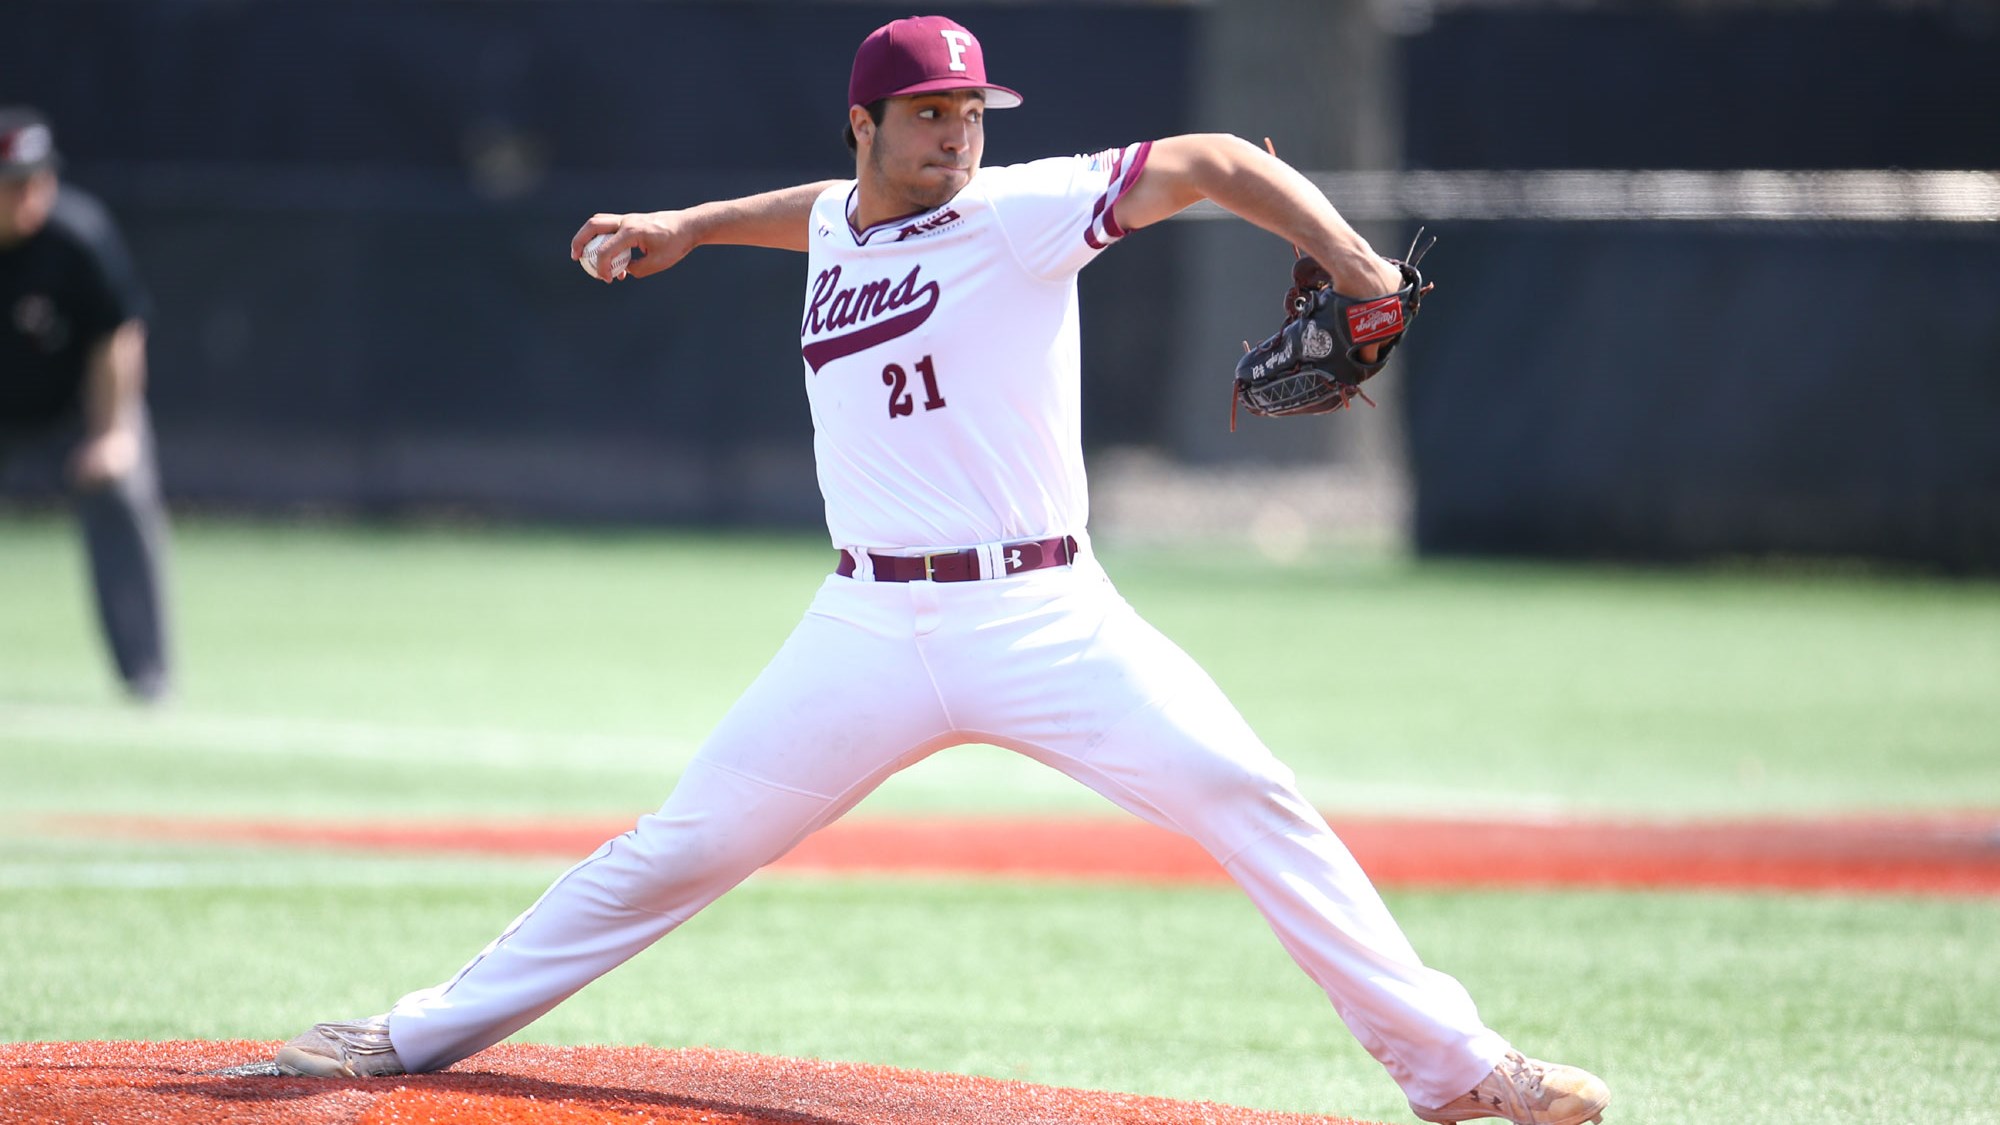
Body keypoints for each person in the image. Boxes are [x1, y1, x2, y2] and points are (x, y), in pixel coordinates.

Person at [275, 17, 1609, 1125]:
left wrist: (1358, 263)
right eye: (927, 114)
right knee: (681, 844)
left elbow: (1206, 159)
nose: (958, 134)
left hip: (1043, 614)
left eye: (971, 112)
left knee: (1243, 790)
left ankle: (1457, 1069)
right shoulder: (845, 222)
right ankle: (410, 1033)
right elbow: (812, 217)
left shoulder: (1022, 211)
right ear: (862, 127)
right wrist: (688, 222)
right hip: (865, 623)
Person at [0, 107, 173, 703]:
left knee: (122, 490)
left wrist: (113, 432)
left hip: (74, 405)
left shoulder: (78, 237)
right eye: (12, 183)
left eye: (37, 179)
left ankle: (147, 677)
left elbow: (117, 337)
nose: (28, 195)